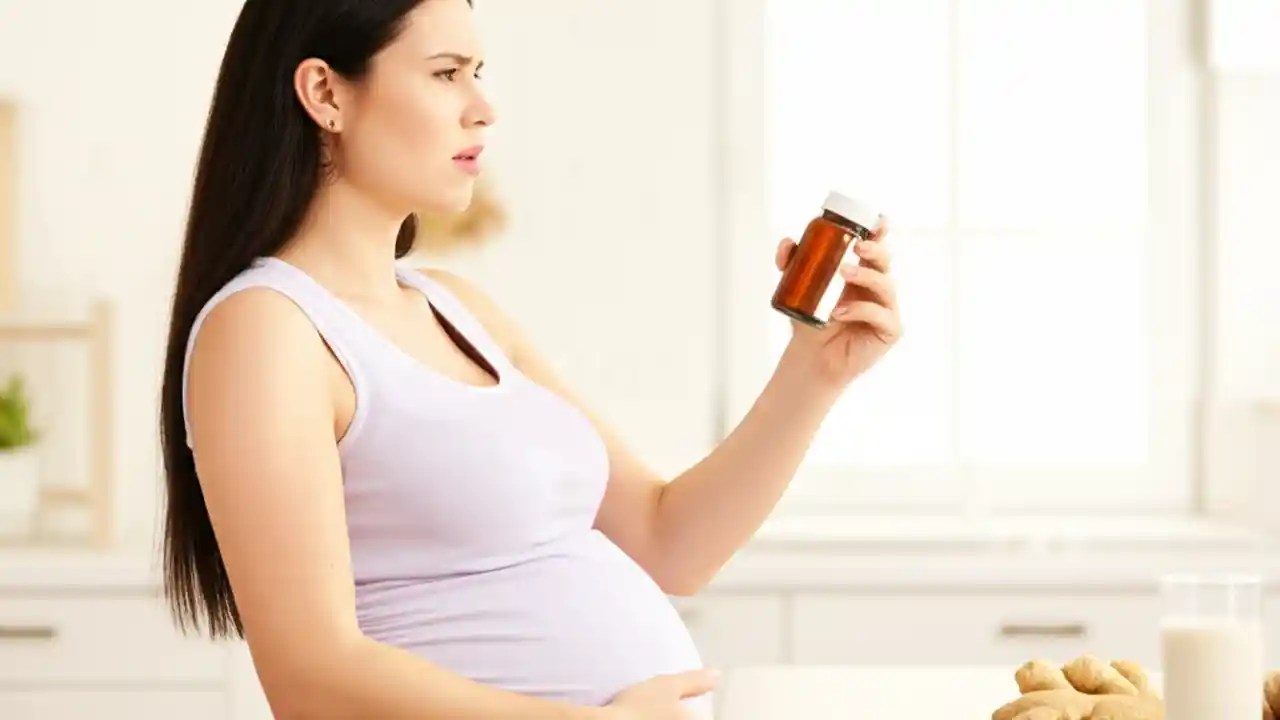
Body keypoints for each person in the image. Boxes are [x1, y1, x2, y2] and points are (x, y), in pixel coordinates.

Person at [157, 1, 902, 718]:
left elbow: (670, 542)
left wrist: (816, 372)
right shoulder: (266, 330)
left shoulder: (457, 309)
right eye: (446, 73)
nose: (483, 107)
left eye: (479, 70)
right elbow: (311, 681)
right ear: (326, 93)